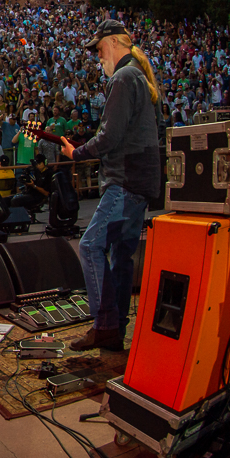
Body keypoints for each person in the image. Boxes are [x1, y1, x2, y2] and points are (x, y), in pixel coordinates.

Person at [60, 20, 162, 351]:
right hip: (141, 181)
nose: (97, 57)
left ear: (114, 43)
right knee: (120, 254)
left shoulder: (123, 77)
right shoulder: (140, 77)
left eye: (100, 49)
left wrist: (78, 152)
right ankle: (116, 329)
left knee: (91, 246)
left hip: (124, 181)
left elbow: (111, 135)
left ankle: (104, 324)